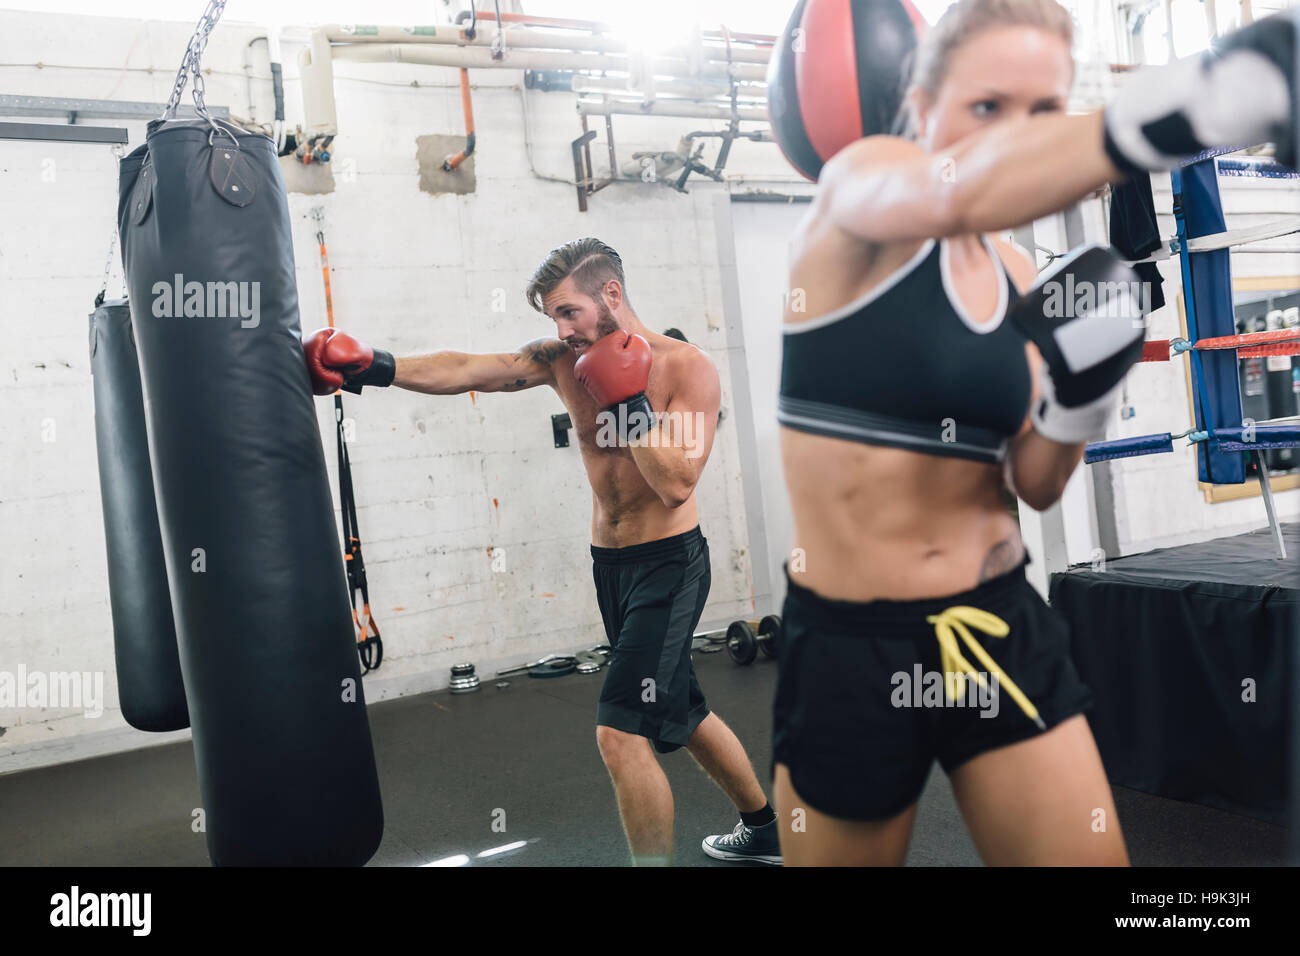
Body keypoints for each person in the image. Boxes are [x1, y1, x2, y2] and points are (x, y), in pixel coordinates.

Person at [770, 0, 1299, 865]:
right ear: (922, 107)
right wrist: (1218, 97)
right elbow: (966, 180)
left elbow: (1036, 481)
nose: (1014, 134)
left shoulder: (1020, 272)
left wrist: (1080, 399)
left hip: (994, 619)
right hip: (853, 647)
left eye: (1042, 111)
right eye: (987, 107)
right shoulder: (857, 194)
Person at [302, 238, 781, 866]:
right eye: (553, 318)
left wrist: (629, 401)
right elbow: (475, 370)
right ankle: (765, 829)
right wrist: (376, 365)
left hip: (670, 567)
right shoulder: (562, 360)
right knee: (683, 710)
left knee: (620, 733)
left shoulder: (688, 368)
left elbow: (676, 484)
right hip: (611, 568)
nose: (561, 330)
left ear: (611, 294)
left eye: (569, 312)